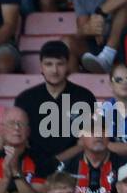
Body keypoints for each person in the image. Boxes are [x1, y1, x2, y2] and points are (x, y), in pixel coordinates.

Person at [15, 40, 96, 168]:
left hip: (73, 163)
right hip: (34, 165)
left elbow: (84, 142)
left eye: (60, 64)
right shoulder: (25, 99)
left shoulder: (84, 97)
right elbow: (20, 140)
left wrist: (55, 162)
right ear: (41, 66)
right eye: (49, 64)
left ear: (68, 65)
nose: (54, 70)